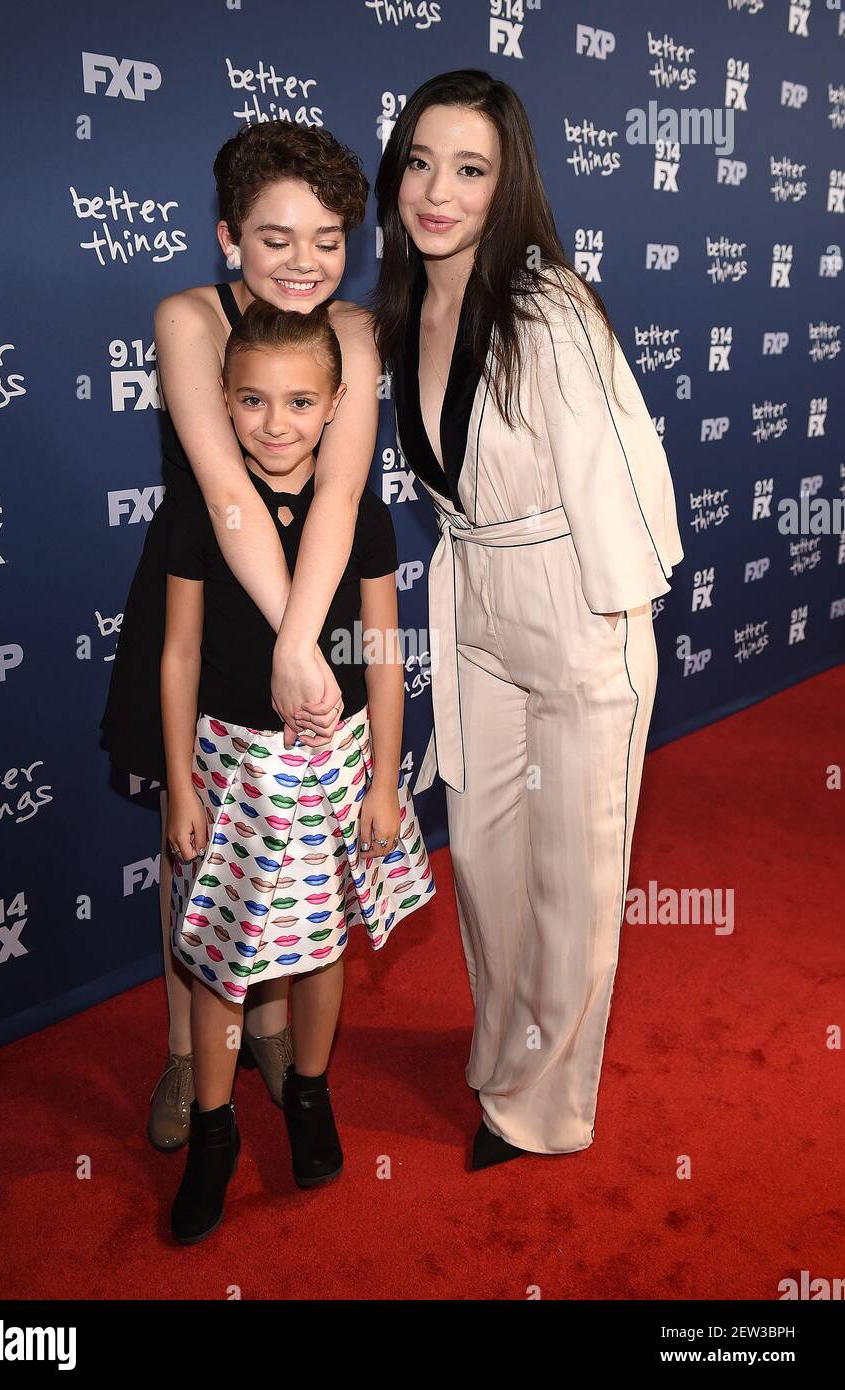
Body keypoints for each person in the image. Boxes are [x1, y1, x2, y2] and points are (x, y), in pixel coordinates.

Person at [371, 70, 684, 1168]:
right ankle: (501, 1052)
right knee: (489, 863)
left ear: (507, 187)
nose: (435, 191)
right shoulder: (404, 304)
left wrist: (609, 631)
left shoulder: (545, 302)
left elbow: (616, 463)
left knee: (572, 873)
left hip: (575, 606)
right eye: (418, 162)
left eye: (468, 169)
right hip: (477, 610)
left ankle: (538, 1106)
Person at [98, 121, 380, 1145]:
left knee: (297, 831)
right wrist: (286, 641)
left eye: (326, 238)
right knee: (198, 839)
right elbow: (225, 491)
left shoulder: (352, 330)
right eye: (275, 238)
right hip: (199, 602)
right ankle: (187, 1048)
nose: (302, 263)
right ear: (227, 238)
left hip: (312, 603)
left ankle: (266, 1028)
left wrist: (301, 644)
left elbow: (340, 495)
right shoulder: (186, 315)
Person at [161, 300, 435, 1243]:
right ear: (221, 400)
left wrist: (388, 783)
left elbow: (387, 656)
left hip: (336, 764)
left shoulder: (360, 517)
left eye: (300, 402)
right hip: (228, 770)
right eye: (251, 401)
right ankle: (212, 1132)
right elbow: (181, 657)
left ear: (336, 406)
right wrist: (182, 786)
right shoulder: (204, 509)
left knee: (321, 944)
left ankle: (310, 1095)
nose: (275, 424)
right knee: (218, 962)